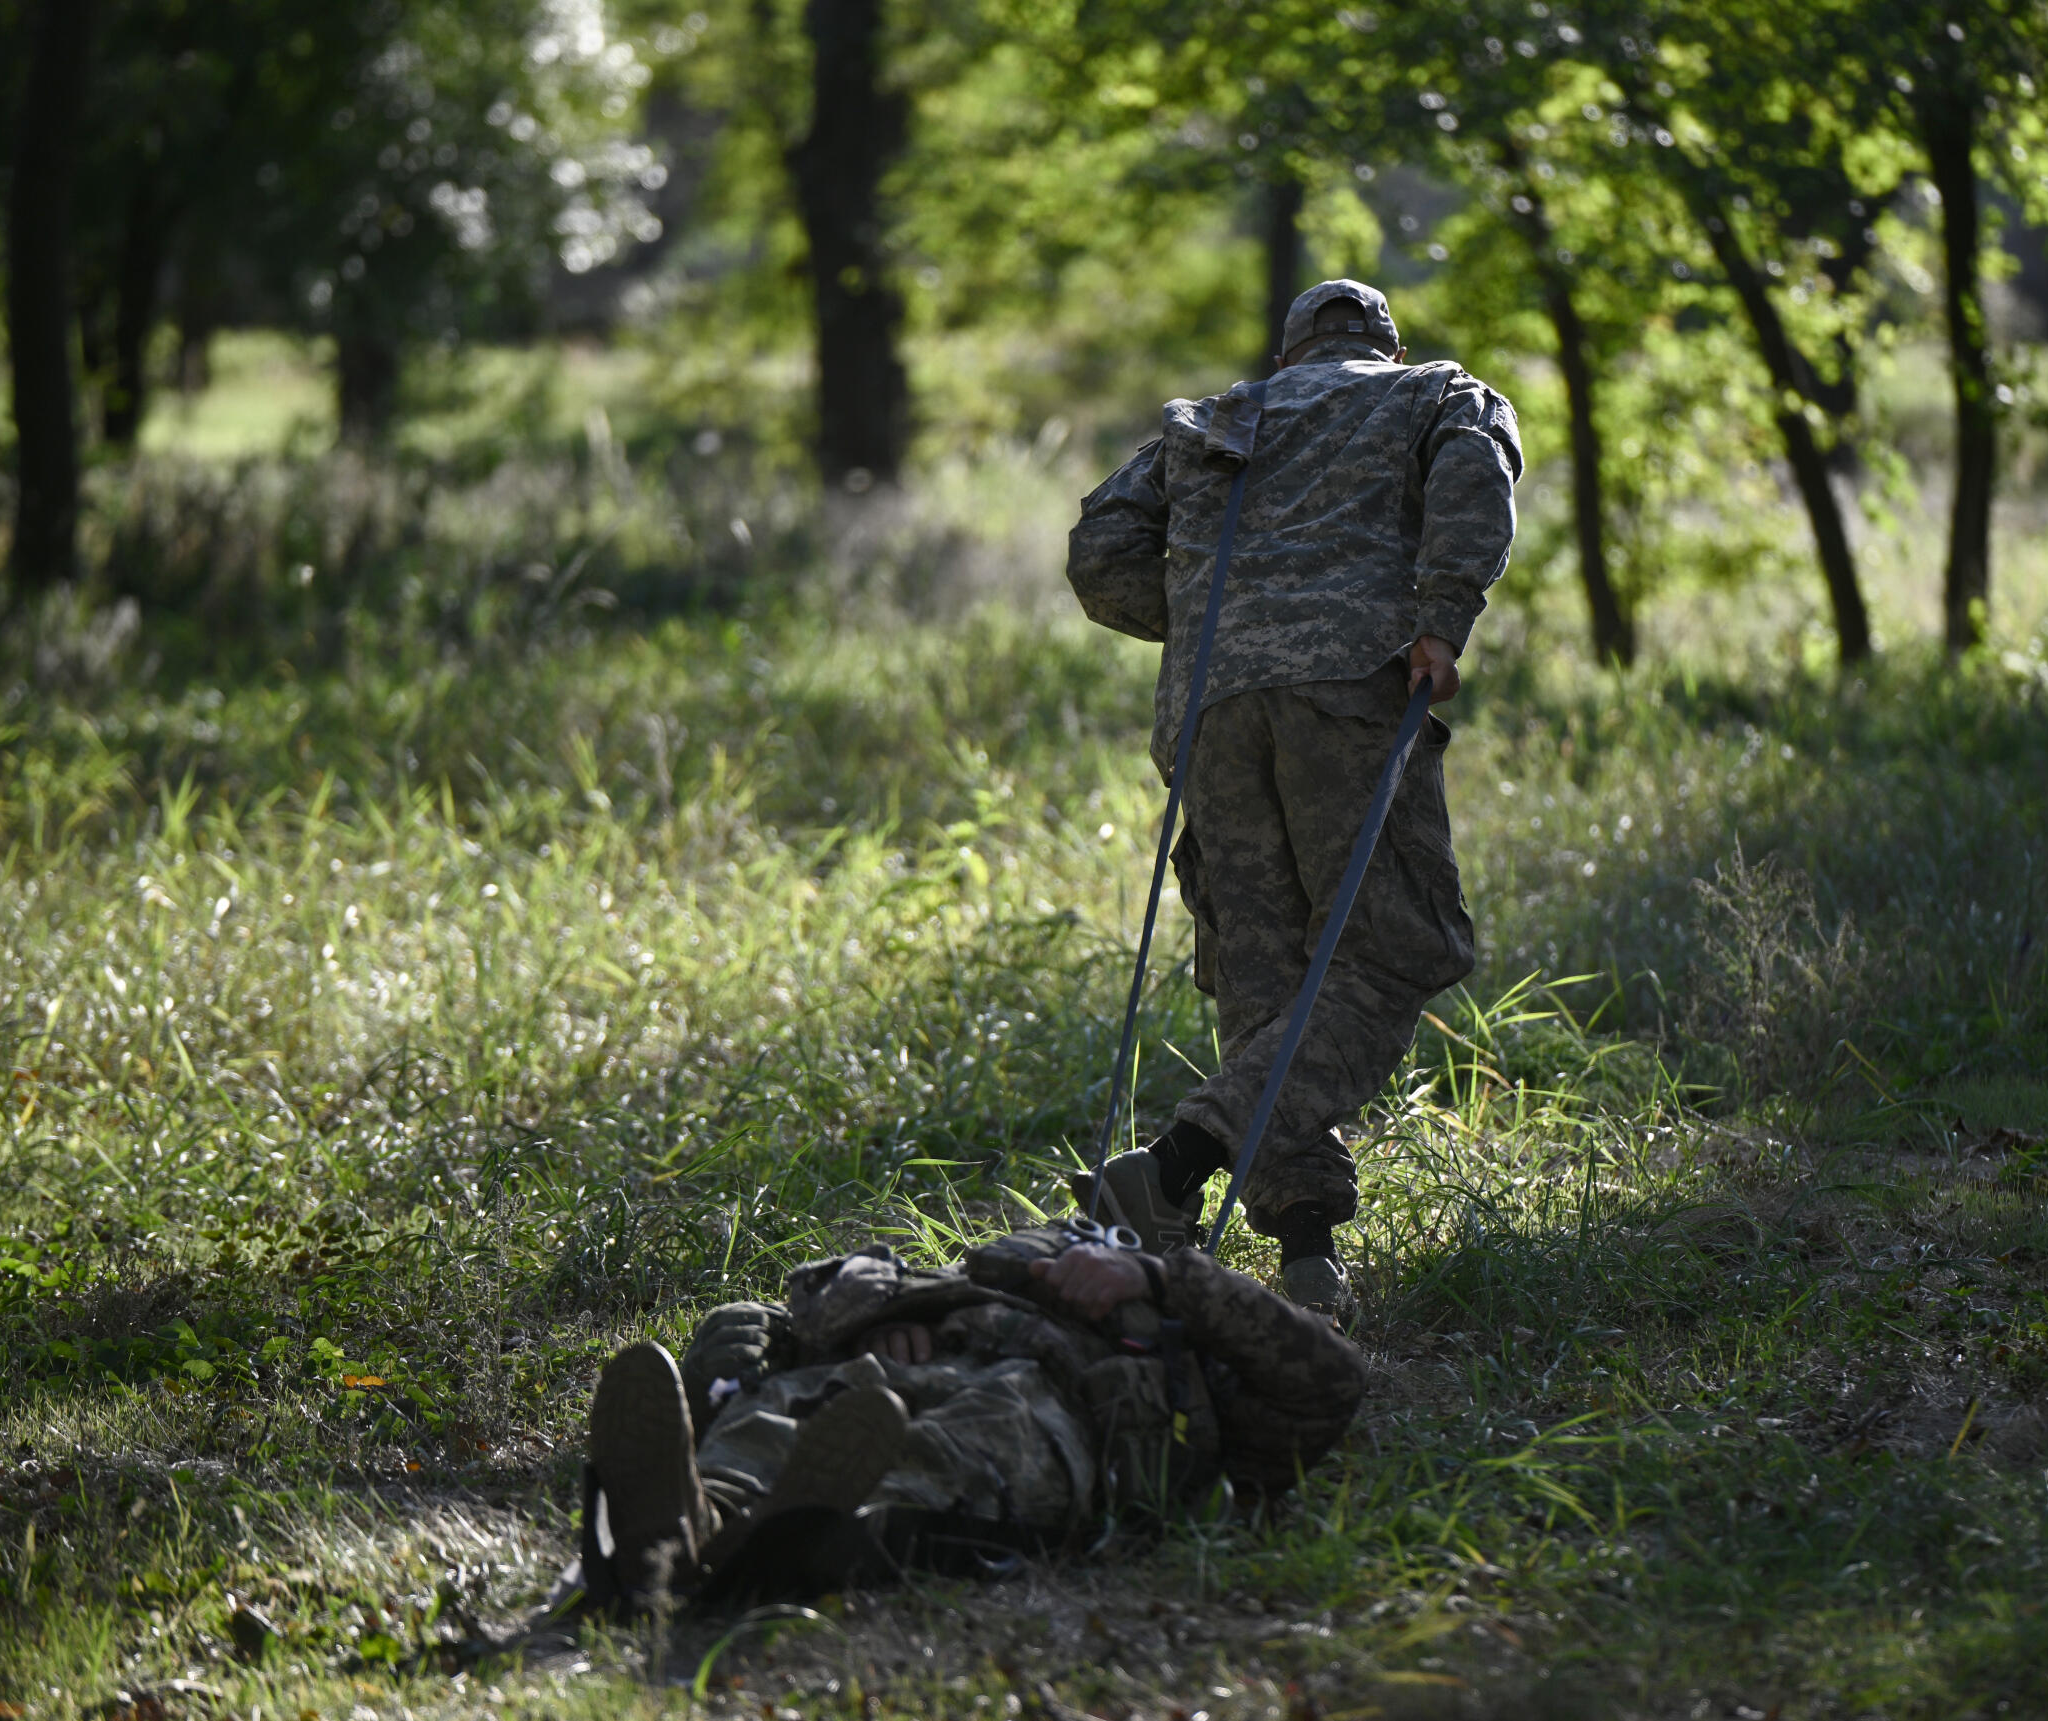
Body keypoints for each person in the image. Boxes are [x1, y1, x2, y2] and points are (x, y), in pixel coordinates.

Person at [1063, 279, 1522, 1324]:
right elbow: (1474, 472)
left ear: (1289, 355)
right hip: (1350, 690)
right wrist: (1439, 617)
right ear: (1384, 348)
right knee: (1399, 943)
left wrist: (1214, 625)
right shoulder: (1435, 391)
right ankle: (1177, 1162)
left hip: (1211, 711)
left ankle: (1308, 1264)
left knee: (1264, 980)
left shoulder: (1218, 416)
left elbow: (1099, 553)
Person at [564, 1221, 1366, 1609]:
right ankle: (690, 1521)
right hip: (902, 1362)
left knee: (952, 1443)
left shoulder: (1194, 1352)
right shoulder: (1003, 1264)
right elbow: (790, 1308)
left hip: (1050, 1409)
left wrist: (1160, 1280)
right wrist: (882, 1316)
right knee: (794, 1406)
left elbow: (1330, 1382)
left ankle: (776, 1535)